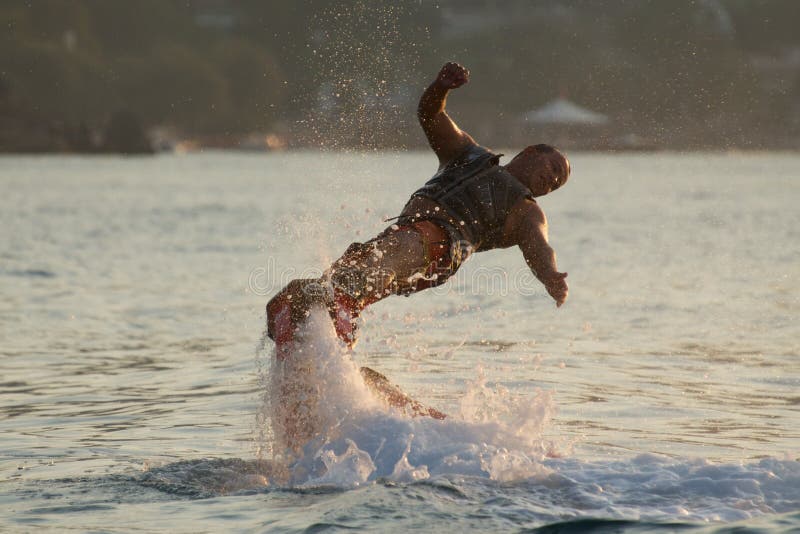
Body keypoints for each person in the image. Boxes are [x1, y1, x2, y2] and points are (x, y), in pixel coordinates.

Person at [267, 62, 570, 353]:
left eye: (557, 184)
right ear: (530, 152)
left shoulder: (526, 210)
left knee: (348, 285)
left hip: (437, 246)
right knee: (309, 292)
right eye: (554, 167)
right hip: (404, 237)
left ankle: (339, 335)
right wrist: (440, 88)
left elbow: (538, 246)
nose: (552, 179)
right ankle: (320, 357)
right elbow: (430, 114)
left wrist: (551, 275)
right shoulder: (468, 153)